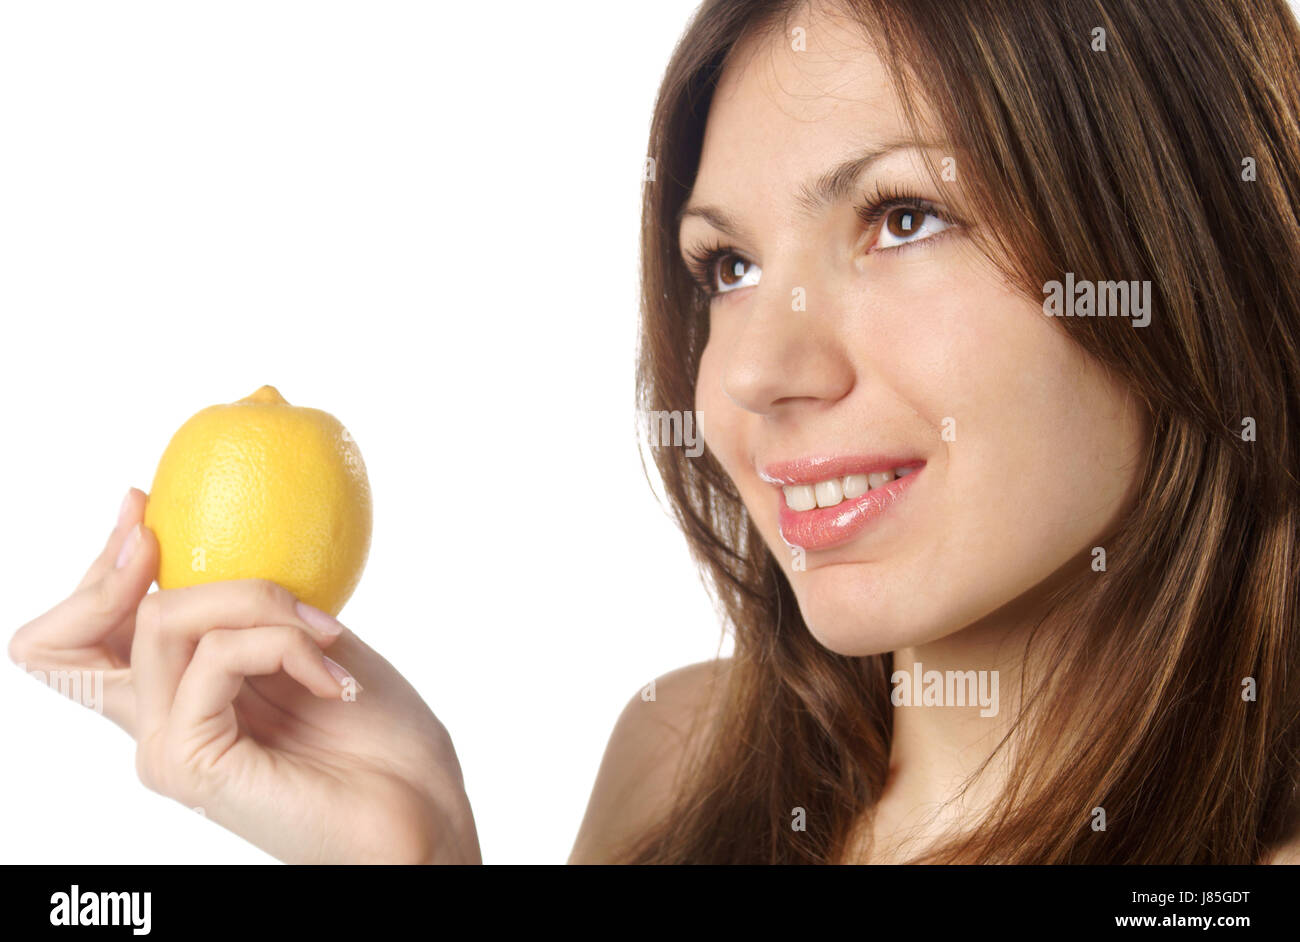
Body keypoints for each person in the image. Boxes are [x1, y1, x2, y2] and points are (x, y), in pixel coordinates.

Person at [11, 0, 1300, 864]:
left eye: (903, 217)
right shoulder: (670, 761)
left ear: (1181, 248)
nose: (752, 374)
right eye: (726, 265)